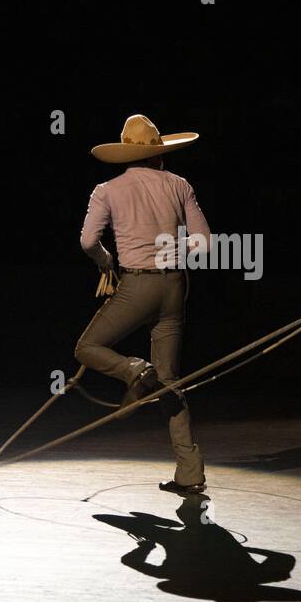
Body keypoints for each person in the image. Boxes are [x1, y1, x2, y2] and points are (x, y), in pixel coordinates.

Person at [75, 114, 210, 494]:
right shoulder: (179, 185)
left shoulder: (107, 190)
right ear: (158, 154)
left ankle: (134, 369)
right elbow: (204, 243)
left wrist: (105, 261)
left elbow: (88, 242)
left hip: (137, 286)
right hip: (174, 287)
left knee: (87, 347)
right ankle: (190, 471)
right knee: (169, 381)